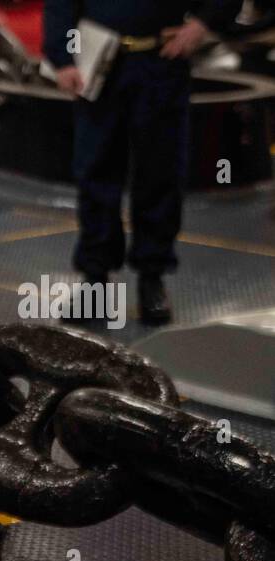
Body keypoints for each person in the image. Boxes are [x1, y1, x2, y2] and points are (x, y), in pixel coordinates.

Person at [44, 0, 242, 323]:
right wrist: (62, 57)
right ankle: (96, 280)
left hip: (161, 65)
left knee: (160, 173)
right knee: (95, 171)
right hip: (100, 65)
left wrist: (202, 25)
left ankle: (153, 277)